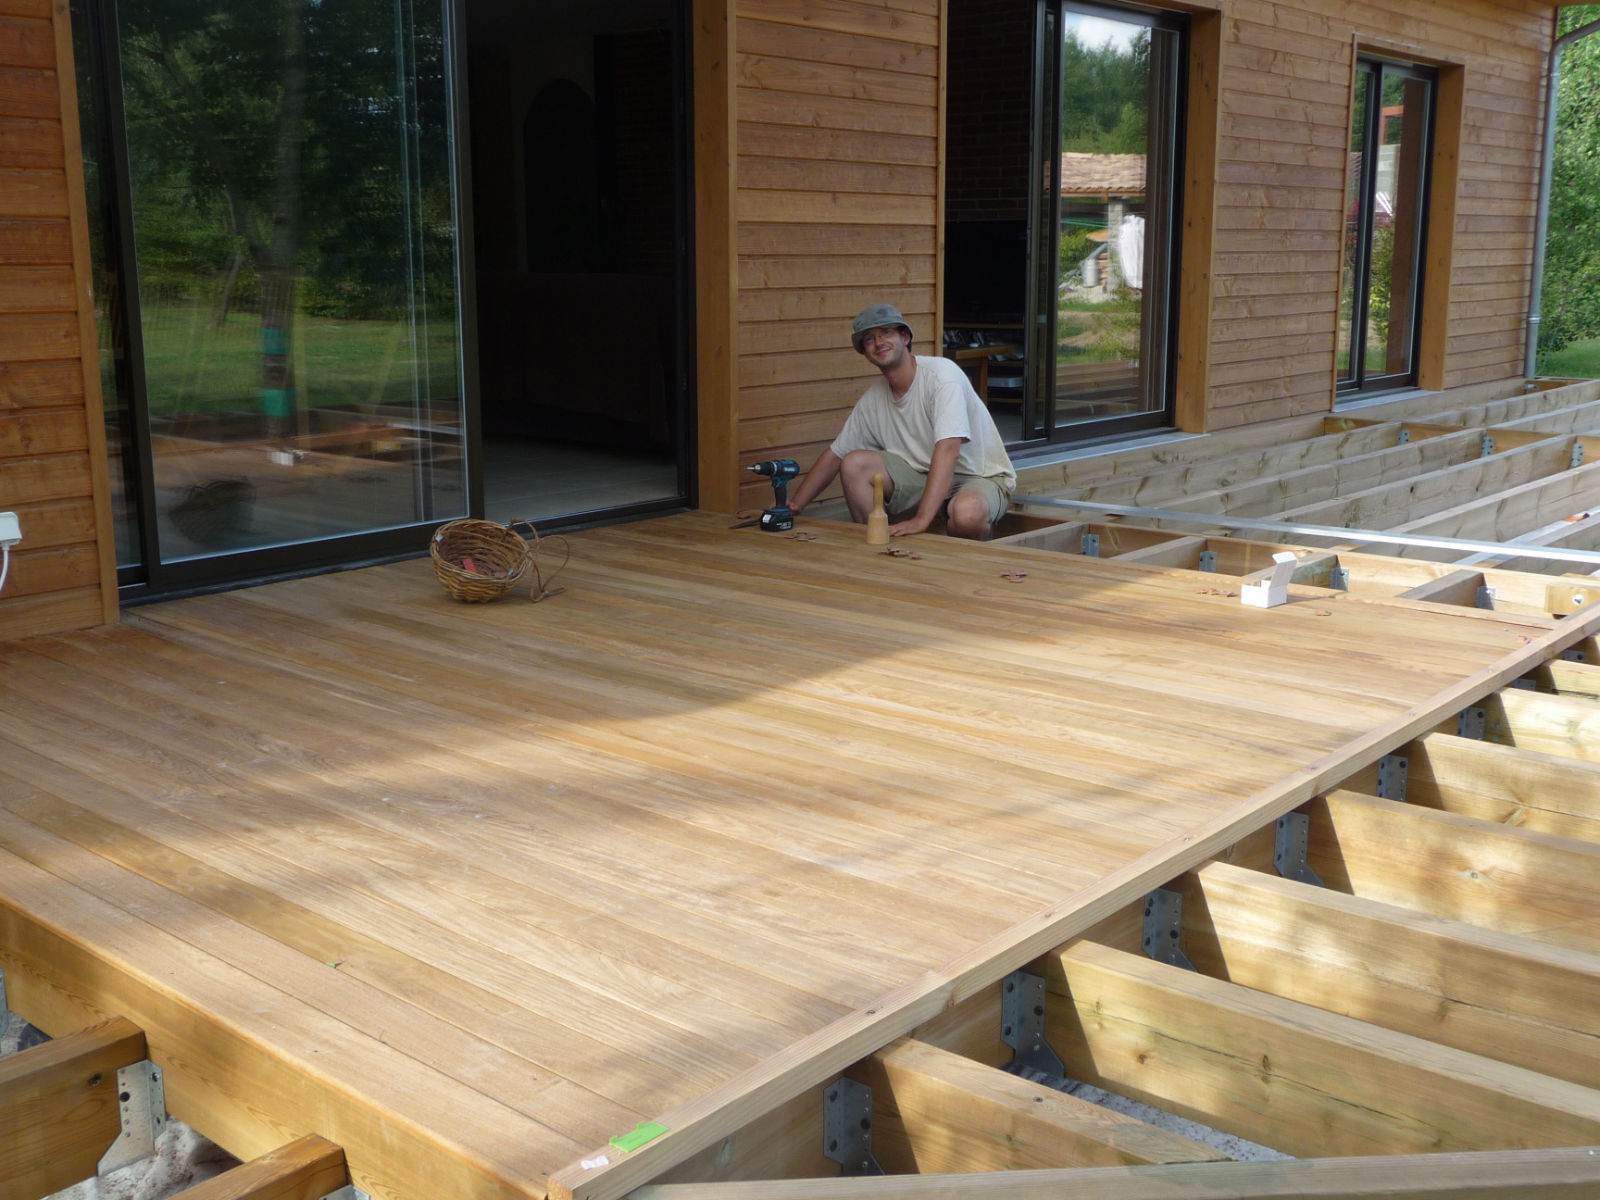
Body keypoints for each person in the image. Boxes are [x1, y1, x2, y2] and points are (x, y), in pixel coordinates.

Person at [787, 303, 1016, 540]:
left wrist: (921, 521)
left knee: (966, 514)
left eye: (886, 333)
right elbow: (835, 455)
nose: (878, 343)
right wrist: (794, 506)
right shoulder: (873, 399)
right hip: (920, 476)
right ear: (865, 353)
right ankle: (879, 546)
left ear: (905, 337)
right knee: (854, 464)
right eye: (869, 339)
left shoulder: (943, 377)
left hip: (978, 476)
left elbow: (949, 450)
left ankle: (968, 564)